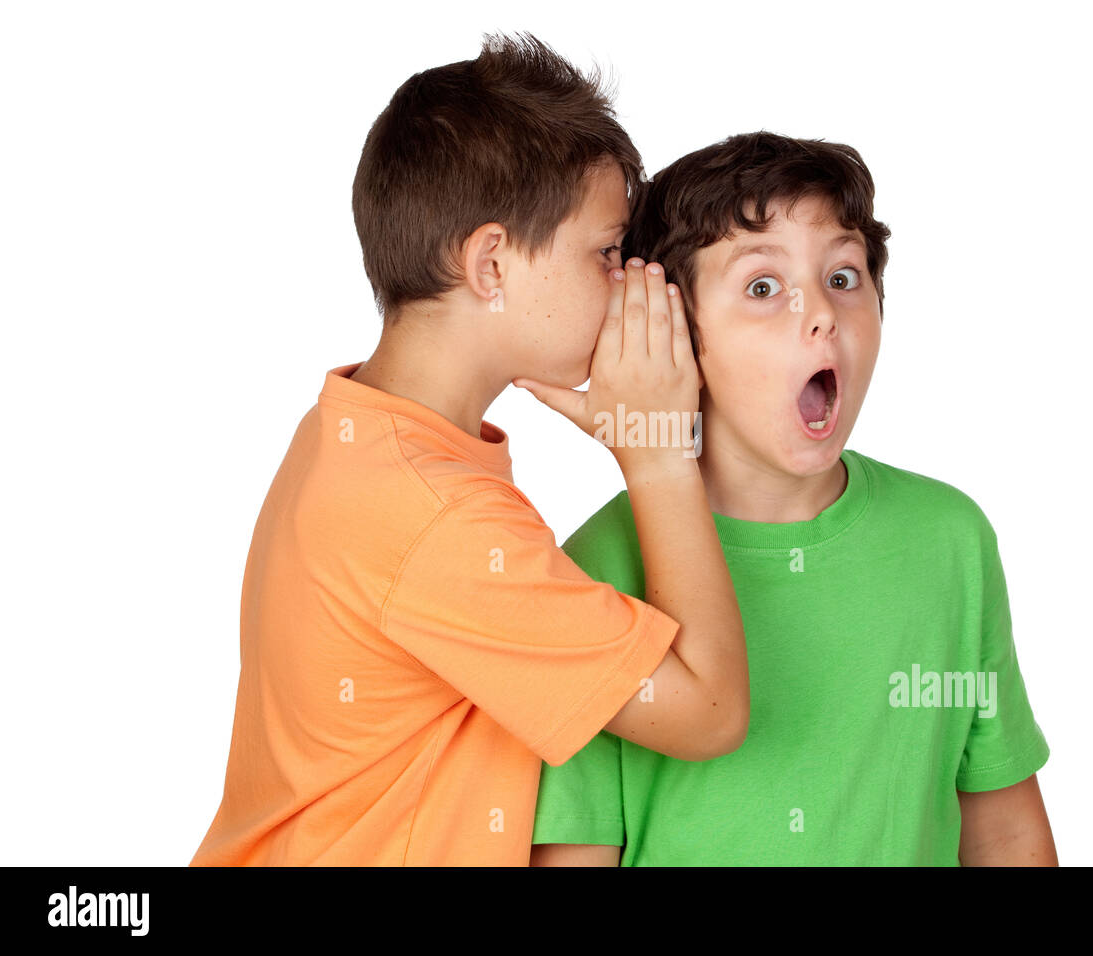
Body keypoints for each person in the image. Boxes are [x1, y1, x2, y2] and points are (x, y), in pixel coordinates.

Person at [191, 34, 748, 866]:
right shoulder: (435, 514)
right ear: (491, 264)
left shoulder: (356, 431)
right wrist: (658, 452)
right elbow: (709, 712)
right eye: (604, 252)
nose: (626, 280)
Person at [530, 132, 1056, 866]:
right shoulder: (594, 572)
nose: (821, 313)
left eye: (843, 276)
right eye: (762, 287)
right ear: (670, 333)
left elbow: (1004, 830)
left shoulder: (951, 539)